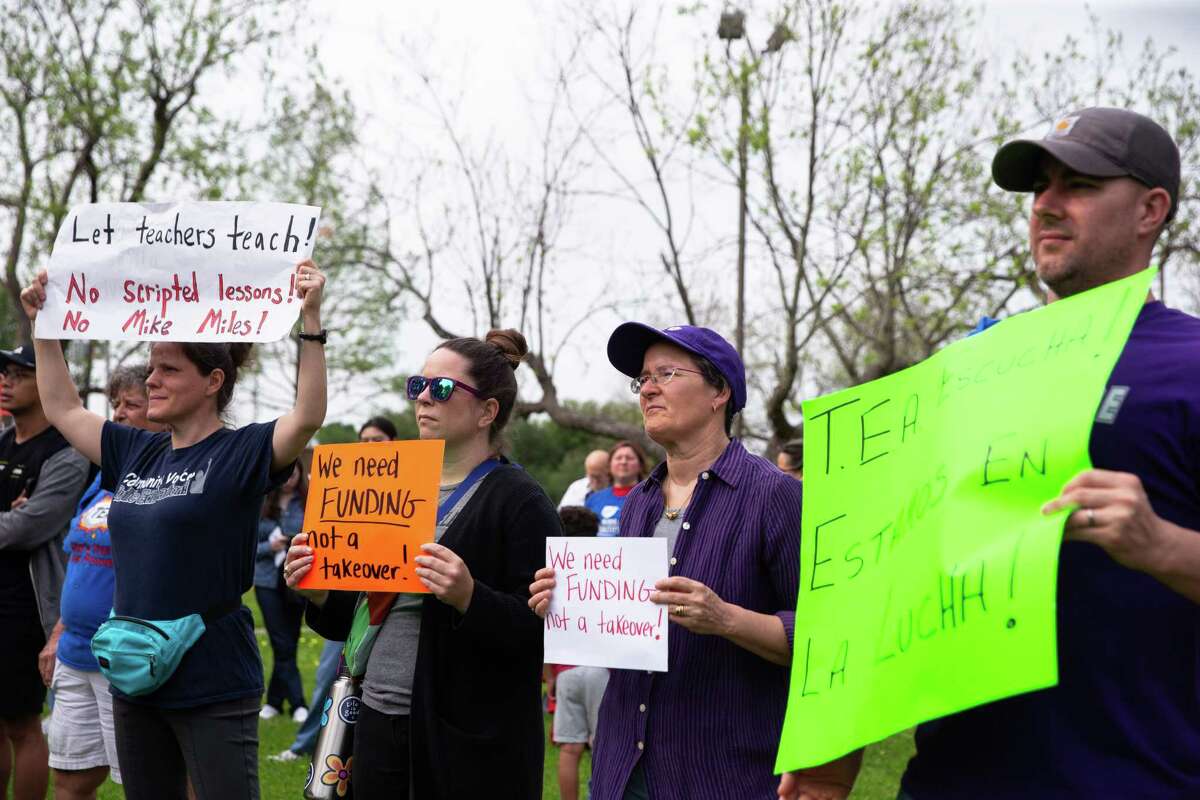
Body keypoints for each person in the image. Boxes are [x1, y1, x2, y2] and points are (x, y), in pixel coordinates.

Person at [791, 108, 1200, 800]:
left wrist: (1159, 543)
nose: (1046, 204)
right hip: (950, 780)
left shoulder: (1189, 362)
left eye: (1080, 184)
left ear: (1150, 210)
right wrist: (833, 736)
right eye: (1040, 186)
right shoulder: (969, 369)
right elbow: (893, 564)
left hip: (1135, 777)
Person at [19, 259, 328, 800]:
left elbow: (306, 415)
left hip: (212, 672)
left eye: (168, 370)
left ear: (213, 381)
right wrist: (45, 329)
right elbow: (63, 407)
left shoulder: (241, 450)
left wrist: (311, 320)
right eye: (152, 368)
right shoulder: (135, 449)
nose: (152, 380)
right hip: (133, 667)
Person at [530, 323, 849, 800]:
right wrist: (565, 607)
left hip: (718, 772)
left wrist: (726, 618)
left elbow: (827, 641)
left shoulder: (776, 496)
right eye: (642, 379)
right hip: (620, 769)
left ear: (719, 390)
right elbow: (623, 629)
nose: (648, 389)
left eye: (666, 373)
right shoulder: (637, 502)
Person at [285, 329, 559, 799]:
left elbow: (542, 630)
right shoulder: (390, 480)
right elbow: (356, 614)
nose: (425, 398)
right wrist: (319, 590)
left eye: (444, 388)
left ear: (487, 412)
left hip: (463, 738)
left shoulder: (522, 501)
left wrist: (469, 597)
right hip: (372, 714)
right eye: (419, 385)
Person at [41, 365, 164, 800]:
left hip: (128, 657)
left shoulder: (166, 480)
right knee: (72, 780)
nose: (119, 414)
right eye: (116, 404)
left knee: (148, 782)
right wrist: (58, 631)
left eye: (133, 404)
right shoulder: (101, 477)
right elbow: (80, 559)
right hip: (75, 652)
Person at [271, 416, 398, 763]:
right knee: (332, 675)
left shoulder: (409, 491)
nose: (370, 447)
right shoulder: (342, 489)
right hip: (345, 603)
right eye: (364, 440)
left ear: (396, 444)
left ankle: (355, 754)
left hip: (391, 608)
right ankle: (312, 748)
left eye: (378, 440)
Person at [0, 343, 91, 800]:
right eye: (5, 372)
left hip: (28, 604)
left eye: (19, 373)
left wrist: (16, 516)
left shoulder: (67, 451)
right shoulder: (2, 440)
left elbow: (28, 526)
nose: (6, 380)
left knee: (21, 722)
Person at [545, 505, 606, 800]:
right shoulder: (607, 573)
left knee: (569, 748)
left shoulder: (552, 575)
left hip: (565, 672)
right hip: (602, 669)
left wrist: (549, 677)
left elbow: (546, 628)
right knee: (603, 745)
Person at [255, 462, 309, 722]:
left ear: (299, 474)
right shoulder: (261, 503)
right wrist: (270, 546)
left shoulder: (308, 502)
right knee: (280, 641)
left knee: (290, 641)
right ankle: (299, 703)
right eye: (285, 473)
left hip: (297, 582)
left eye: (294, 472)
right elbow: (249, 547)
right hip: (267, 582)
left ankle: (274, 702)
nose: (289, 478)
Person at [585, 440, 648, 536]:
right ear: (609, 466)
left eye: (629, 458)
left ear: (640, 465)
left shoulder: (650, 498)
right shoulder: (593, 499)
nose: (623, 462)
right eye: (618, 458)